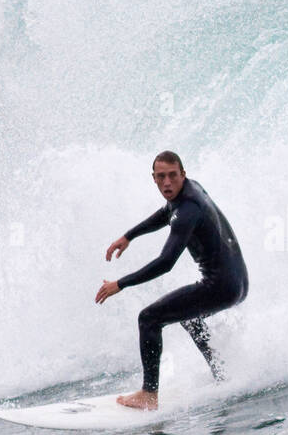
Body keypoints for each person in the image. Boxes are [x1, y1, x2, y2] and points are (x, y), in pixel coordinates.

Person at [94, 152, 248, 410]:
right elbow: (167, 213)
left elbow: (166, 262)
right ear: (153, 179)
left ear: (182, 174)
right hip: (237, 282)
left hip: (221, 286)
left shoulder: (189, 209)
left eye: (172, 176)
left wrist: (120, 283)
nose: (167, 182)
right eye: (161, 177)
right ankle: (222, 375)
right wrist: (129, 235)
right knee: (188, 315)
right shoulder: (189, 191)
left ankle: (149, 395)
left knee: (149, 318)